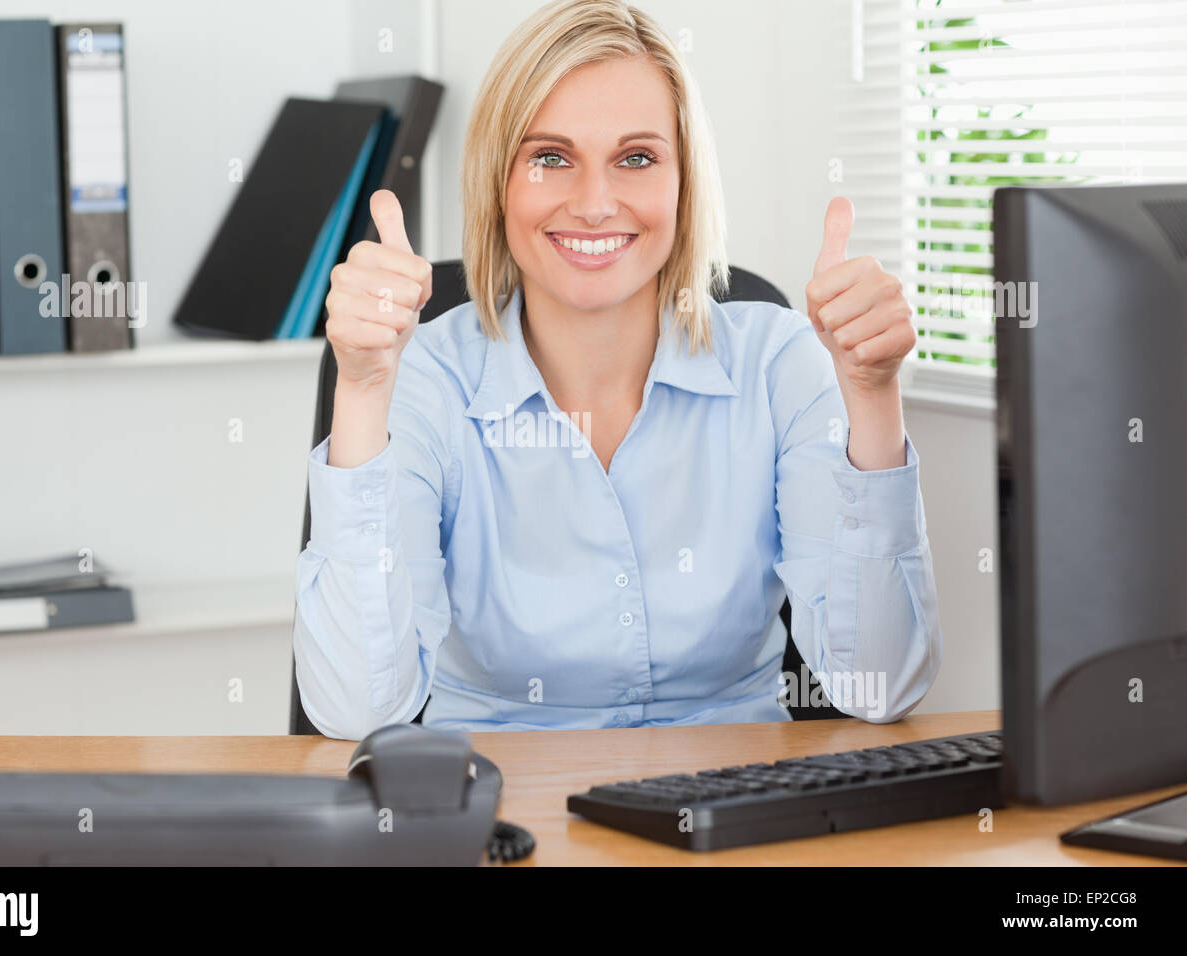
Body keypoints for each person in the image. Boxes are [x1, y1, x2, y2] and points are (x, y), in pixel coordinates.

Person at [294, 0, 941, 739]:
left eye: (636, 158)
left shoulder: (779, 362)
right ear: (498, 182)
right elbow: (356, 713)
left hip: (729, 817)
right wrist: (364, 389)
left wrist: (872, 397)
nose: (595, 204)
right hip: (499, 813)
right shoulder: (427, 379)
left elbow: (883, 687)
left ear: (683, 182)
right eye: (550, 157)